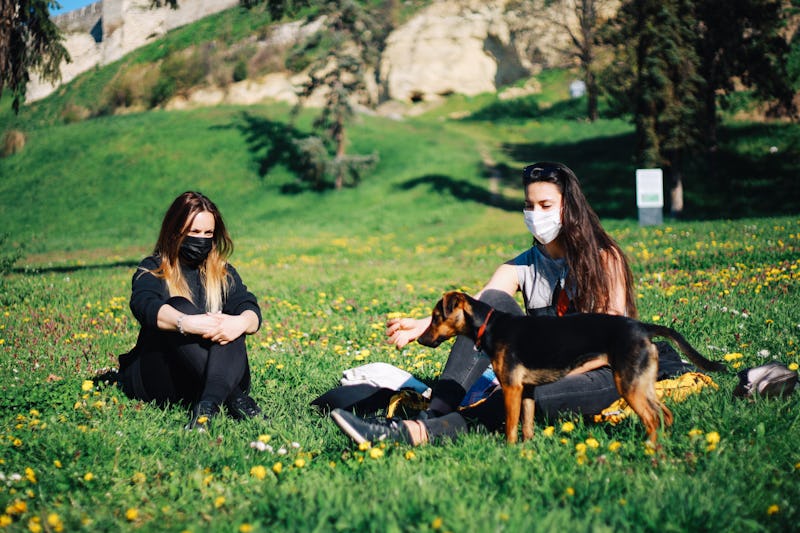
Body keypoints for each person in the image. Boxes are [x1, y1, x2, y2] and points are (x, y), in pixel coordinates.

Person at [330, 162, 694, 445]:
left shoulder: (605, 258)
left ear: (569, 207)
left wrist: (537, 373)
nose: (536, 213)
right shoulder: (520, 266)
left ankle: (419, 434)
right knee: (491, 303)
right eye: (528, 205)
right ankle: (434, 414)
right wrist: (424, 325)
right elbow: (475, 312)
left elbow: (615, 338)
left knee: (534, 392)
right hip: (541, 366)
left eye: (545, 204)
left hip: (602, 372)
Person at [118, 191, 264, 430]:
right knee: (179, 305)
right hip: (161, 373)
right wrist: (186, 323)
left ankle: (207, 407)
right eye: (194, 232)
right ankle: (236, 398)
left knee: (230, 322)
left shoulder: (223, 272)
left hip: (202, 379)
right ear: (175, 232)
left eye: (208, 233)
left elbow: (248, 306)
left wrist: (238, 323)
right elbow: (143, 304)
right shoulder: (154, 268)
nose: (202, 239)